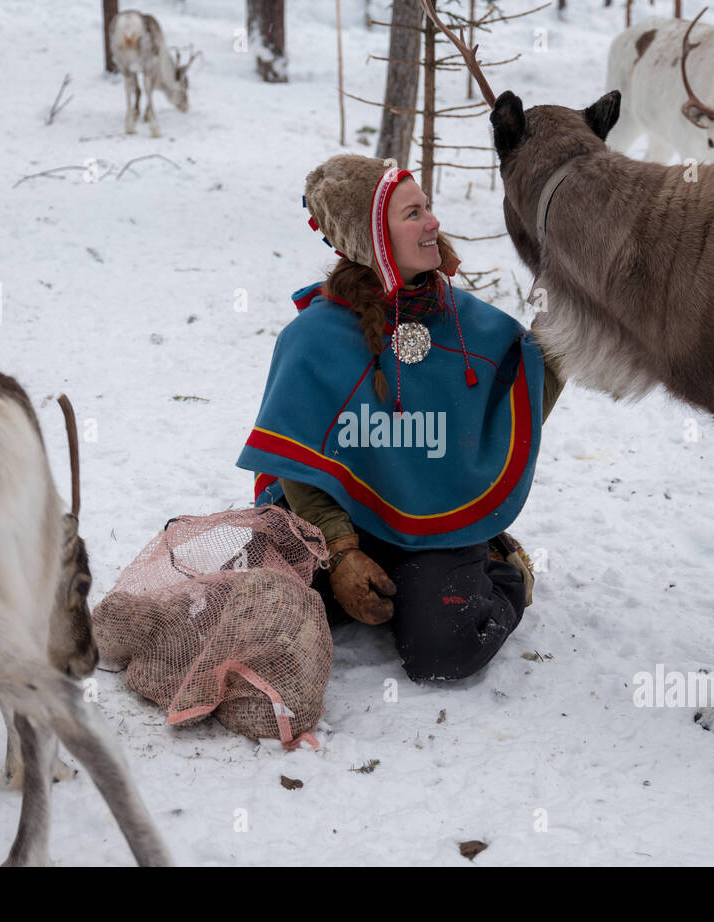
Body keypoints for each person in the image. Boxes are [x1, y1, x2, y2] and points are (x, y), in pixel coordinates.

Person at [237, 154, 563, 681]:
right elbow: (302, 467)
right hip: (333, 522)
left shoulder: (468, 327)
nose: (434, 222)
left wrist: (574, 313)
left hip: (437, 523)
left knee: (444, 652)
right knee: (255, 615)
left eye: (428, 207)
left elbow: (520, 404)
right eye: (413, 214)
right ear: (374, 239)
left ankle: (501, 569)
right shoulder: (312, 340)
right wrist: (341, 554)